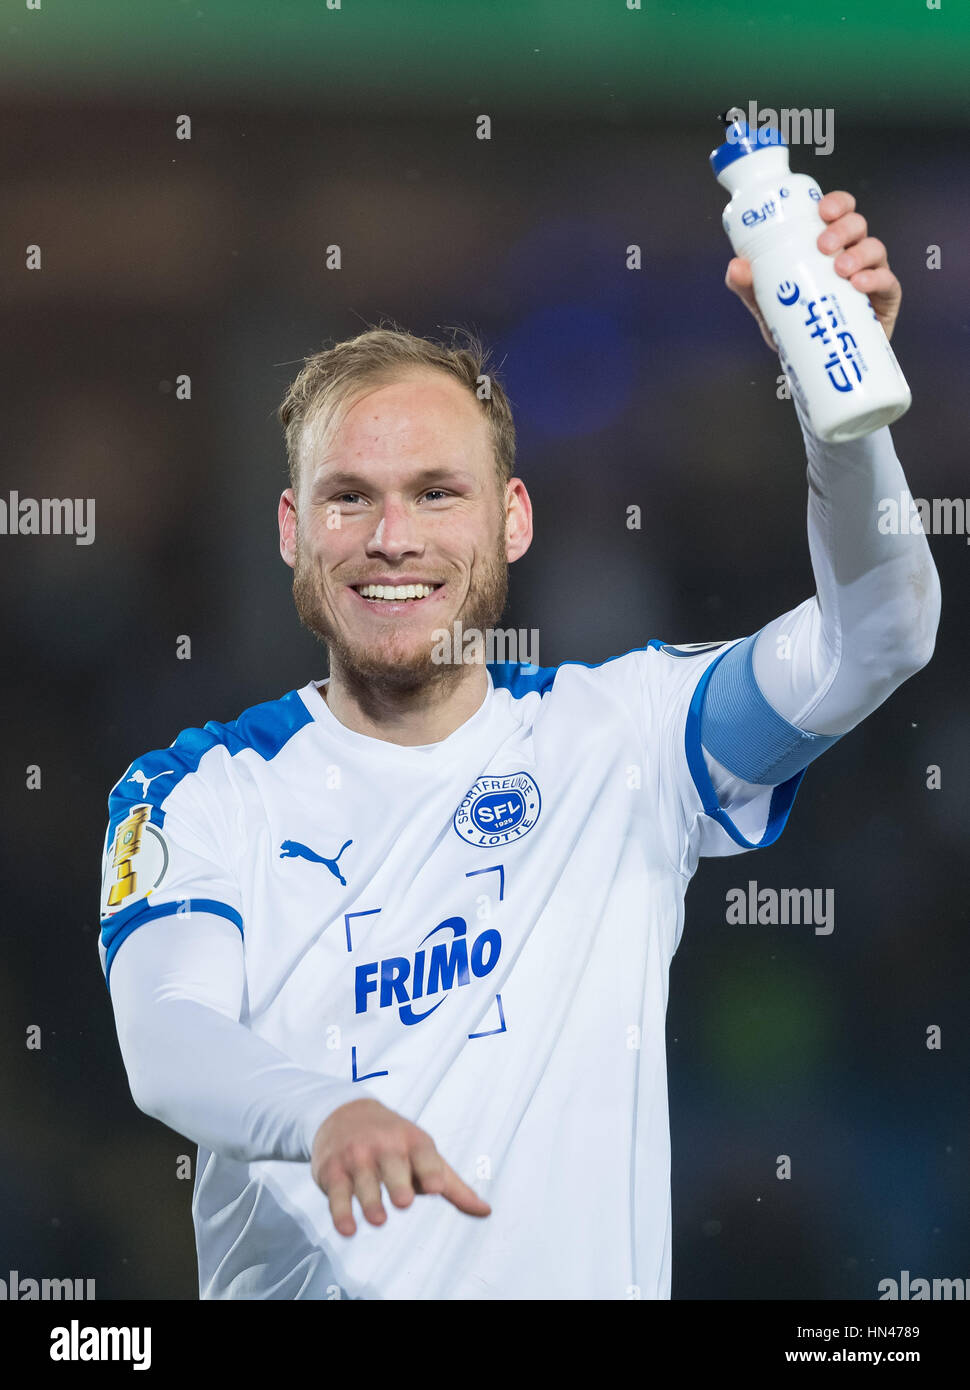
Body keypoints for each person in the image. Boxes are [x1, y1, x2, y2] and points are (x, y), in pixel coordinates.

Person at [98, 190, 940, 1299]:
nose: (392, 539)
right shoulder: (196, 790)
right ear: (293, 532)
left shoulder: (627, 738)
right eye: (350, 498)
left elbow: (877, 634)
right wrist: (325, 1114)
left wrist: (846, 411)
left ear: (512, 519)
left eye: (436, 493)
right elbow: (168, 1036)